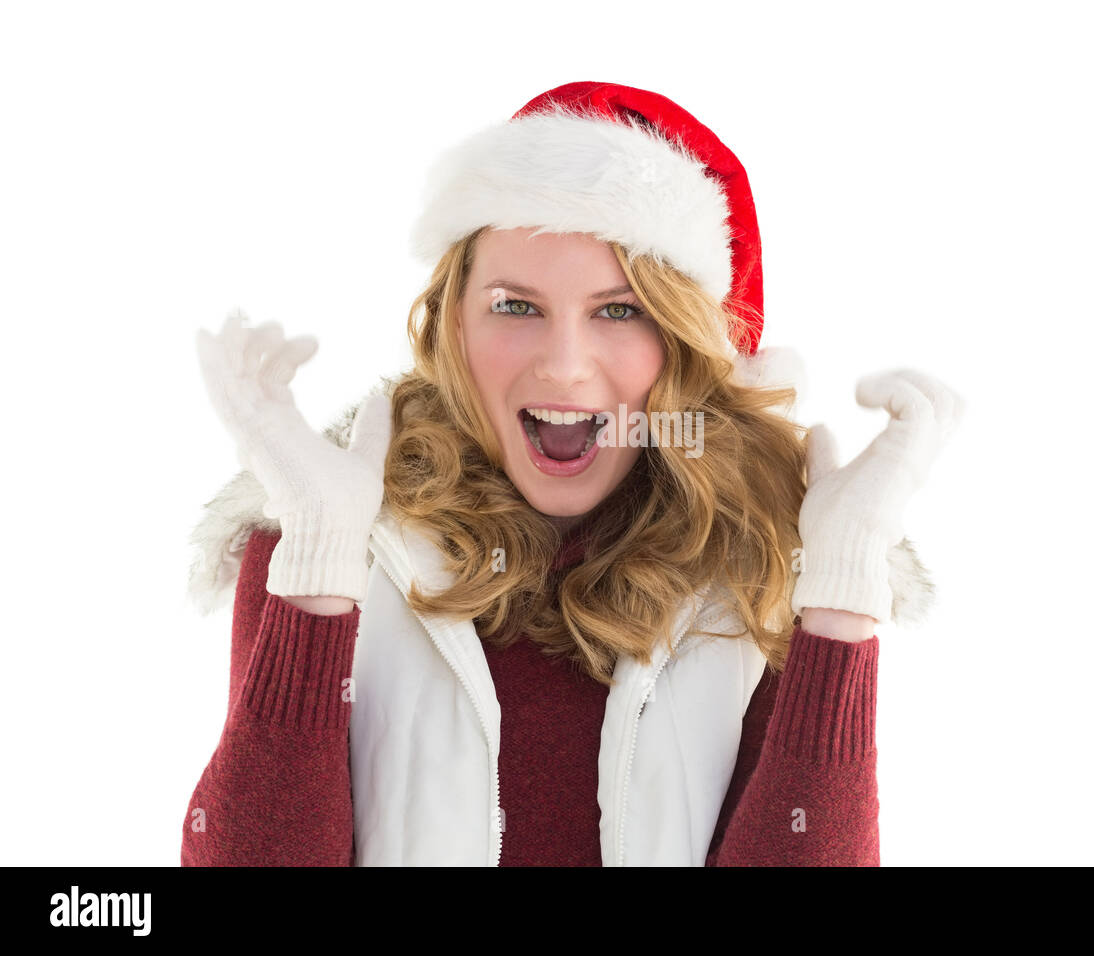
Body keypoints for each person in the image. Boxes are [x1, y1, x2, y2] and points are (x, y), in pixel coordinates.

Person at [181, 81, 964, 867]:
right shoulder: (328, 533)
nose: (563, 366)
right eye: (515, 307)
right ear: (456, 323)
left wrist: (840, 601)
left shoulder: (766, 562)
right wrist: (316, 575)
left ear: (689, 347)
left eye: (620, 311)